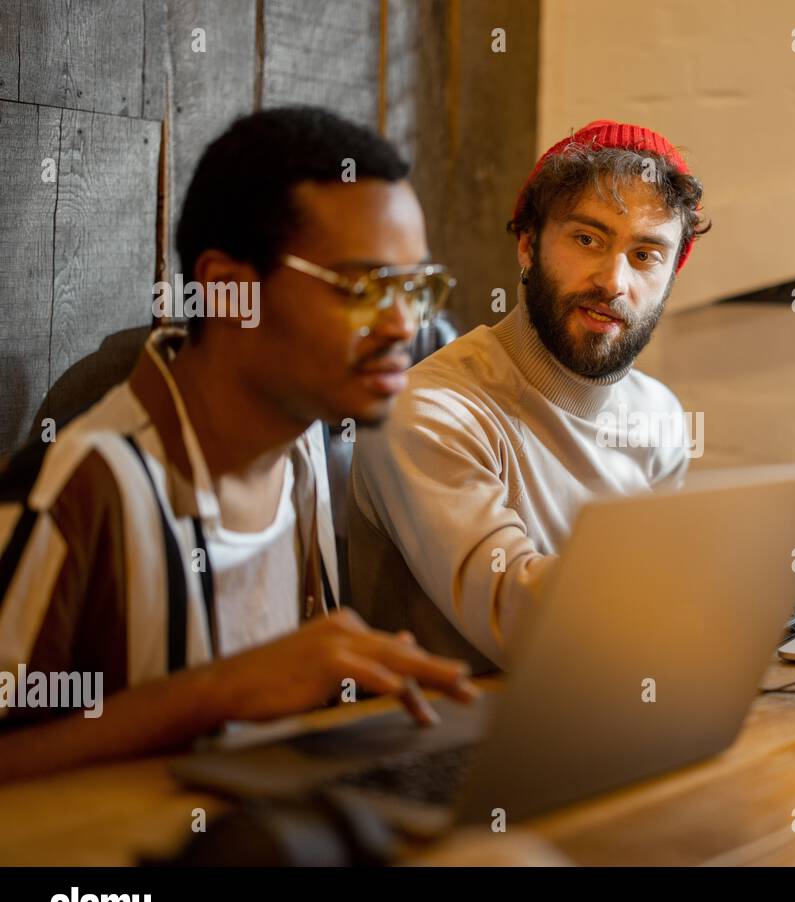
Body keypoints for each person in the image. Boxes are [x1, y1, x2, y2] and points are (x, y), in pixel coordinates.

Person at [0, 107, 475, 783]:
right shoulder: (75, 491)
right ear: (228, 291)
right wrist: (216, 690)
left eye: (415, 288)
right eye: (363, 288)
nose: (403, 325)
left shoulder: (304, 450)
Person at [349, 119, 795, 671]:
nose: (614, 282)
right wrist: (745, 550)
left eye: (646, 255)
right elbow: (521, 622)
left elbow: (646, 615)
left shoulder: (657, 413)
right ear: (527, 244)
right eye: (587, 239)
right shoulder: (429, 412)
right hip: (450, 726)